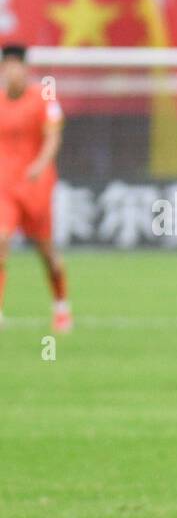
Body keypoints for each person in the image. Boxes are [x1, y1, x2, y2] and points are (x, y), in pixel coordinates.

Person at [0, 45, 71, 333]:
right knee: (1, 241)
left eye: (18, 65)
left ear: (25, 70)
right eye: (8, 66)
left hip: (36, 184)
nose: (12, 71)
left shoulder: (44, 98)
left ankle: (61, 306)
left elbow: (53, 136)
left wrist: (40, 164)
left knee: (46, 251)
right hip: (5, 184)